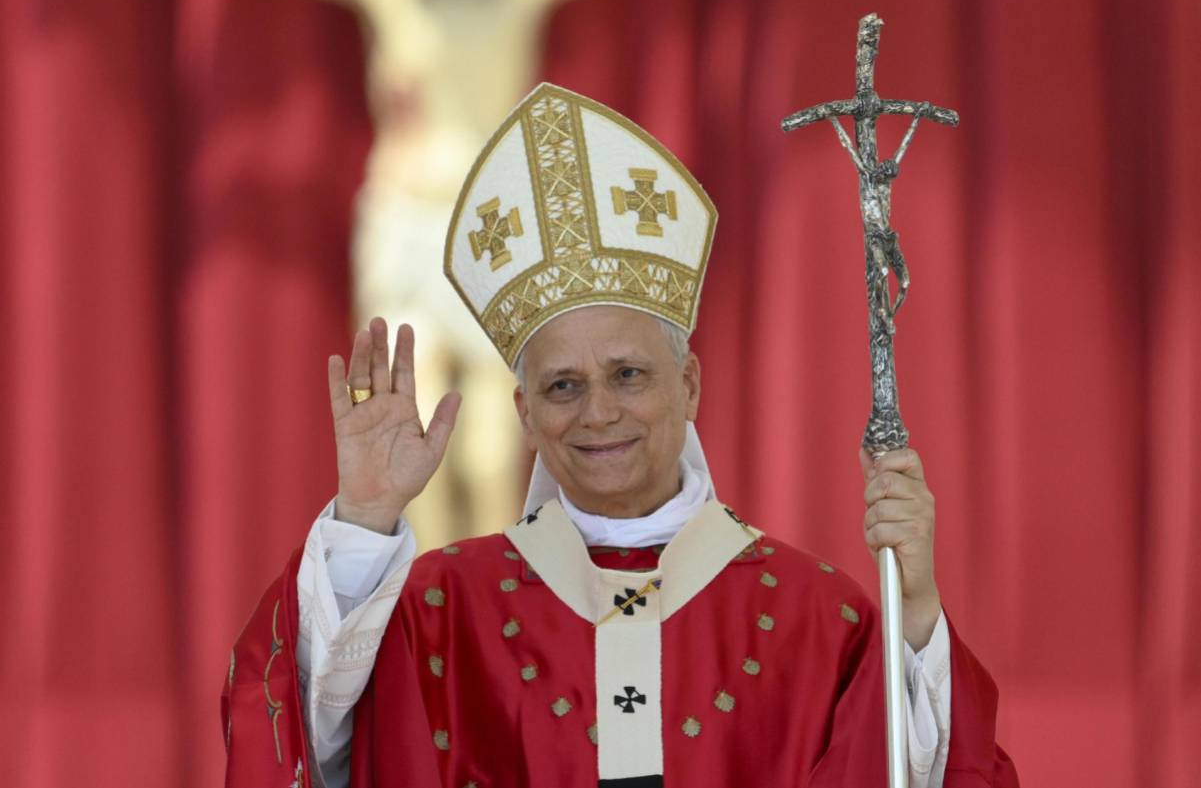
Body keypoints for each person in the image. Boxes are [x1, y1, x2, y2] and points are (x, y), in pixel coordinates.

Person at [222, 83, 1018, 788]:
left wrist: (912, 612)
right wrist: (363, 519)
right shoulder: (440, 610)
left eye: (628, 374)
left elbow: (925, 766)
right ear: (524, 412)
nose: (596, 411)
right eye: (561, 386)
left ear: (691, 384)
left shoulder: (817, 618)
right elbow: (304, 733)